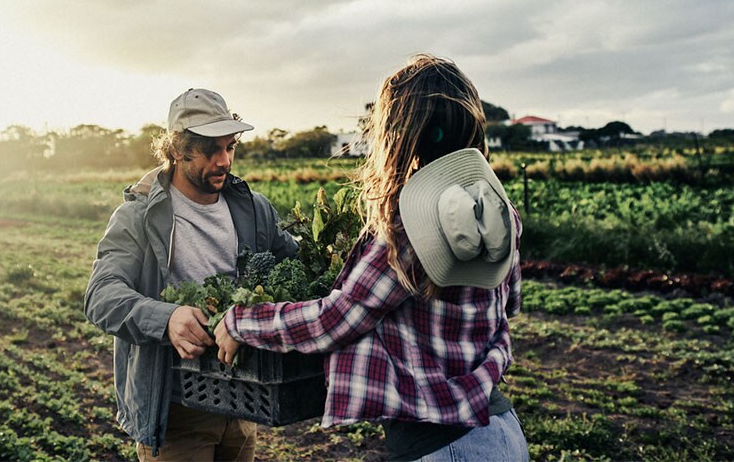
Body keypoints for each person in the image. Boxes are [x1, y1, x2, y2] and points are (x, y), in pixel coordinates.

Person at [214, 54, 529, 461]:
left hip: (442, 444)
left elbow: (334, 321)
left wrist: (240, 321)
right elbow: (510, 305)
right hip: (500, 431)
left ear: (399, 134)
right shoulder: (498, 212)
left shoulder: (410, 225)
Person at [84, 88, 299, 461]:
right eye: (211, 150)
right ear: (176, 150)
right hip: (176, 410)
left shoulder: (255, 210)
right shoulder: (138, 217)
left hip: (244, 403)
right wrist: (166, 319)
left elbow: (297, 266)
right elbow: (101, 296)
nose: (224, 160)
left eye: (230, 147)